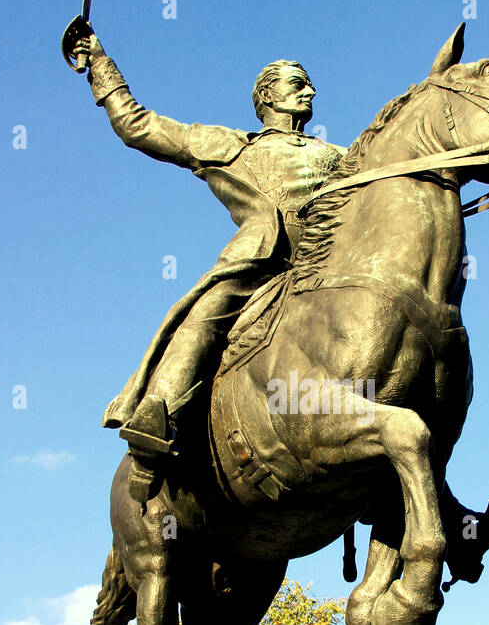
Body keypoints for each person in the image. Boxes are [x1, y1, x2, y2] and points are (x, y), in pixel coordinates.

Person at [73, 31, 346, 498]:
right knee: (208, 313)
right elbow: (139, 126)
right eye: (297, 83)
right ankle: (158, 419)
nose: (310, 91)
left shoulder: (341, 156)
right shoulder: (231, 145)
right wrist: (98, 62)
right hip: (263, 263)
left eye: (309, 84)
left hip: (329, 267)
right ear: (267, 96)